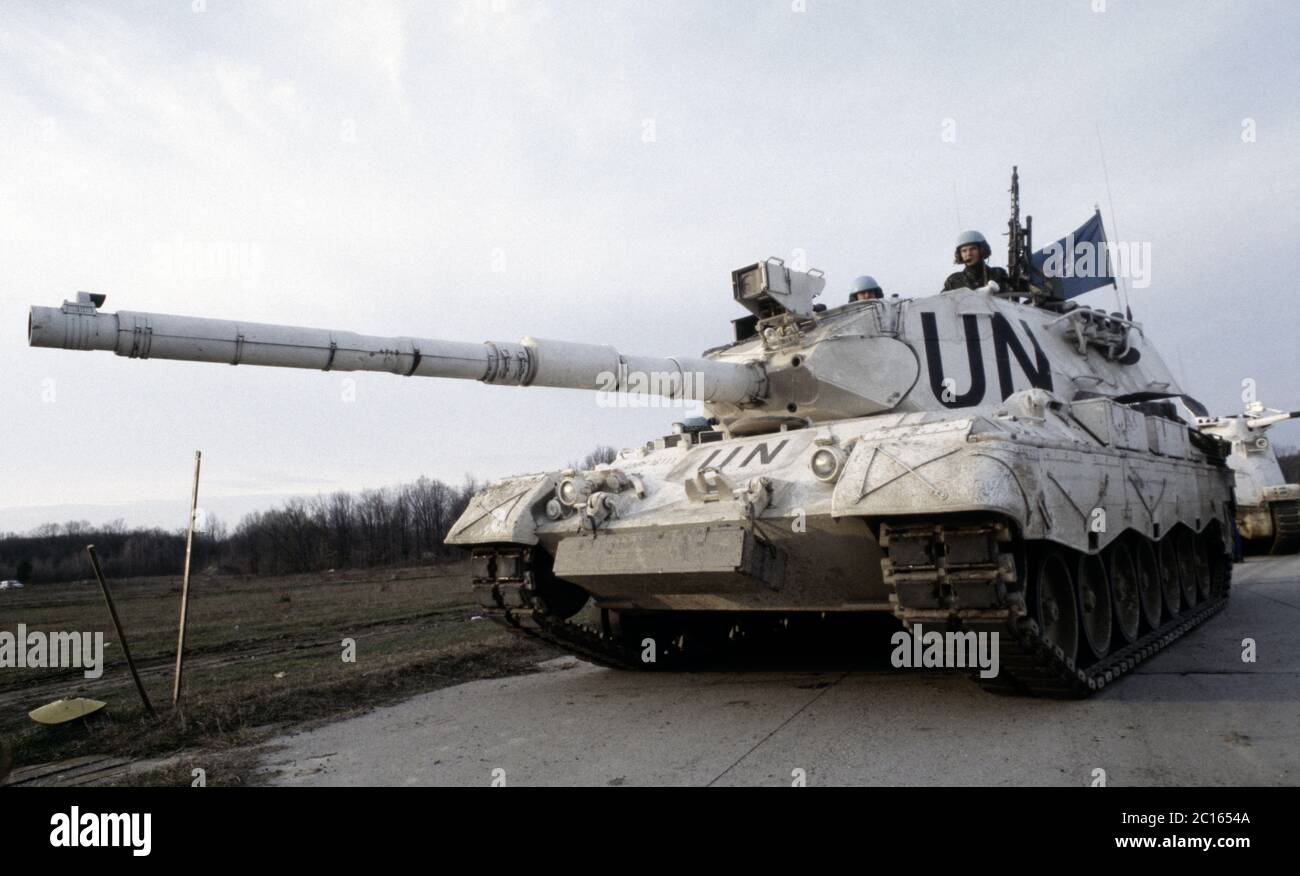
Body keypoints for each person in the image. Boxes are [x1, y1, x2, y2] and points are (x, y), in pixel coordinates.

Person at [943, 230, 1011, 292]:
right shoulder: (954, 281)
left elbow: (1011, 297)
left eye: (973, 249)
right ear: (960, 255)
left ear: (982, 250)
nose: (968, 253)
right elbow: (942, 302)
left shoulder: (997, 274)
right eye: (964, 251)